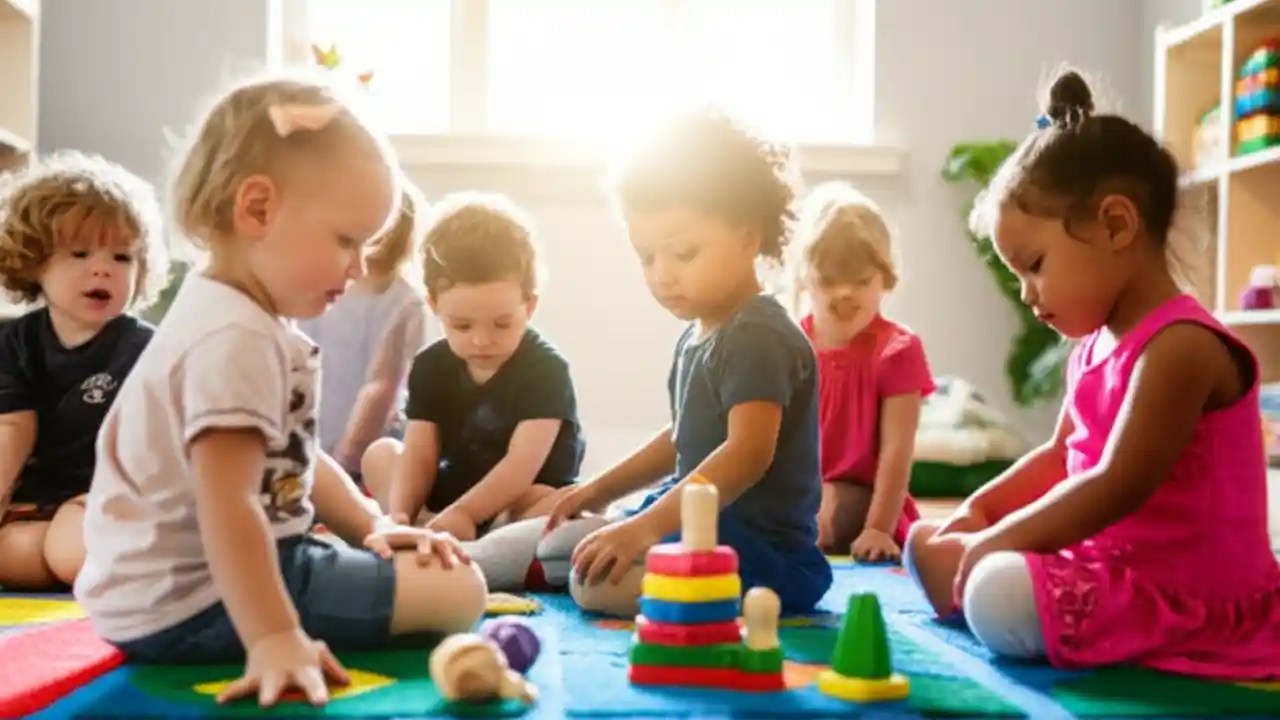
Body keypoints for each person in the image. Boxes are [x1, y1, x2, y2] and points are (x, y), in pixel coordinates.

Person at [74, 73, 487, 708]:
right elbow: (227, 504)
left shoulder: (232, 314)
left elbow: (295, 456)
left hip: (163, 596)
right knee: (462, 591)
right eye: (347, 241)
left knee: (427, 570)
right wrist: (273, 637)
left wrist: (372, 524)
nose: (358, 267)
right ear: (258, 208)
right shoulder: (234, 338)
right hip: (199, 600)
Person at [905, 67, 1280, 679]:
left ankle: (977, 582)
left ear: (1115, 226)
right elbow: (1059, 456)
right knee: (945, 546)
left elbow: (1116, 483)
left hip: (1192, 600)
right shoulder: (1093, 348)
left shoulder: (1181, 347)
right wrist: (975, 512)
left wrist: (989, 546)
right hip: (1118, 566)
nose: (1028, 295)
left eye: (1035, 265)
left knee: (995, 591)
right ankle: (973, 574)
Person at [544, 106, 832, 617]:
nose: (662, 275)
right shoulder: (699, 333)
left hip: (763, 551)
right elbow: (681, 436)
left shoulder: (758, 335)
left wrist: (645, 526)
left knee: (595, 582)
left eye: (682, 252)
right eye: (647, 257)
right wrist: (598, 491)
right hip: (702, 523)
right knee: (565, 545)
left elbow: (747, 454)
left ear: (746, 235)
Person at [362, 192, 584, 541]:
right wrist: (401, 514)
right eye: (463, 326)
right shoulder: (431, 365)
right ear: (434, 306)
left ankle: (485, 535)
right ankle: (423, 525)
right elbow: (420, 452)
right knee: (381, 454)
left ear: (529, 306)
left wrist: (468, 512)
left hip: (516, 496)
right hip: (449, 492)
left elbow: (521, 465)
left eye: (501, 324)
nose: (481, 341)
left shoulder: (546, 370)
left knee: (558, 503)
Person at [0, 150, 168, 590]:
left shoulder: (143, 347)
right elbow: (11, 428)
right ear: (35, 262)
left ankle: (136, 564)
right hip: (41, 501)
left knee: (67, 550)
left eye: (122, 257)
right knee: (16, 554)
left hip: (111, 496)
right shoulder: (16, 342)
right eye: (79, 252)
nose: (102, 268)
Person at [791, 181, 934, 562]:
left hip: (865, 498)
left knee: (823, 507)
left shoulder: (897, 350)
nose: (844, 294)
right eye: (828, 281)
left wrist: (878, 528)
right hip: (800, 489)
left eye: (861, 281)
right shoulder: (791, 346)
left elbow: (896, 451)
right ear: (805, 278)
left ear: (885, 278)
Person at [297, 183, 429, 483]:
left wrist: (350, 451)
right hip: (335, 434)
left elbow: (383, 387)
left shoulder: (400, 301)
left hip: (346, 436)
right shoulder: (403, 300)